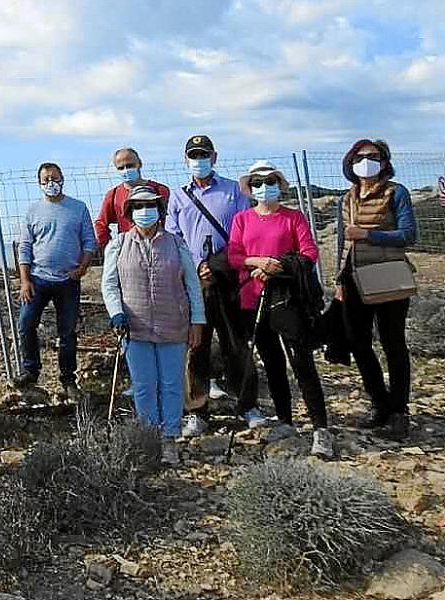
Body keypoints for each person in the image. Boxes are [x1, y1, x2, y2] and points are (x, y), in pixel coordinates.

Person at [228, 162, 334, 458]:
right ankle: (285, 420)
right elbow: (234, 255)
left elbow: (309, 253)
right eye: (257, 182)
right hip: (253, 299)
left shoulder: (293, 217)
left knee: (302, 363)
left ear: (279, 184)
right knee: (272, 363)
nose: (264, 187)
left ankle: (320, 428)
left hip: (288, 301)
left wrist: (277, 266)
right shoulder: (241, 219)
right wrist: (257, 262)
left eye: (270, 181)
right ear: (250, 189)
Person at [165, 135, 263, 436]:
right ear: (186, 160)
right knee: (197, 345)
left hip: (229, 277)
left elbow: (244, 232)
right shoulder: (178, 197)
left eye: (203, 154)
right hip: (194, 281)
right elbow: (174, 237)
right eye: (194, 155)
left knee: (236, 344)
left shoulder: (234, 191)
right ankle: (197, 410)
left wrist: (217, 264)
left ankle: (247, 405)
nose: (199, 160)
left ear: (214, 157)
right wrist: (196, 266)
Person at [102, 186, 205, 466]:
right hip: (134, 328)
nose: (144, 211)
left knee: (172, 385)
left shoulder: (177, 244)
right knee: (143, 386)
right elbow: (109, 284)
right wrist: (116, 313)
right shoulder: (118, 244)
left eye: (150, 206)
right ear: (129, 212)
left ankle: (169, 437)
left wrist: (197, 320)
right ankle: (149, 437)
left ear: (160, 211)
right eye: (138, 206)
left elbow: (192, 285)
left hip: (173, 324)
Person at [334, 139, 418, 440]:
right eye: (360, 156)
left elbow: (409, 234)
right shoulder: (346, 199)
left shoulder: (397, 192)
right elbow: (342, 242)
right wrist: (338, 279)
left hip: (388, 276)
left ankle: (399, 411)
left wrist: (369, 235)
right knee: (358, 342)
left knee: (393, 342)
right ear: (350, 162)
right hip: (354, 278)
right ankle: (379, 402)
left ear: (384, 162)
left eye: (373, 156)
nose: (366, 161)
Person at [15, 162, 97, 401]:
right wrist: (24, 281)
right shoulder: (33, 211)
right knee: (26, 324)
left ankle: (68, 379)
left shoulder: (78, 208)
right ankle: (30, 371)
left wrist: (82, 268)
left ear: (62, 179)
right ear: (39, 183)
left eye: (55, 178)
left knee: (67, 331)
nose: (51, 183)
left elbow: (89, 241)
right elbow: (25, 247)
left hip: (68, 281)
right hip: (37, 280)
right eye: (46, 179)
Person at [94, 147, 172, 248]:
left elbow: (171, 220)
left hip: (159, 246)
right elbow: (101, 224)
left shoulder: (160, 190)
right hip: (128, 249)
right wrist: (109, 247)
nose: (126, 170)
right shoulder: (113, 195)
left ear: (140, 164)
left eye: (130, 165)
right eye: (121, 168)